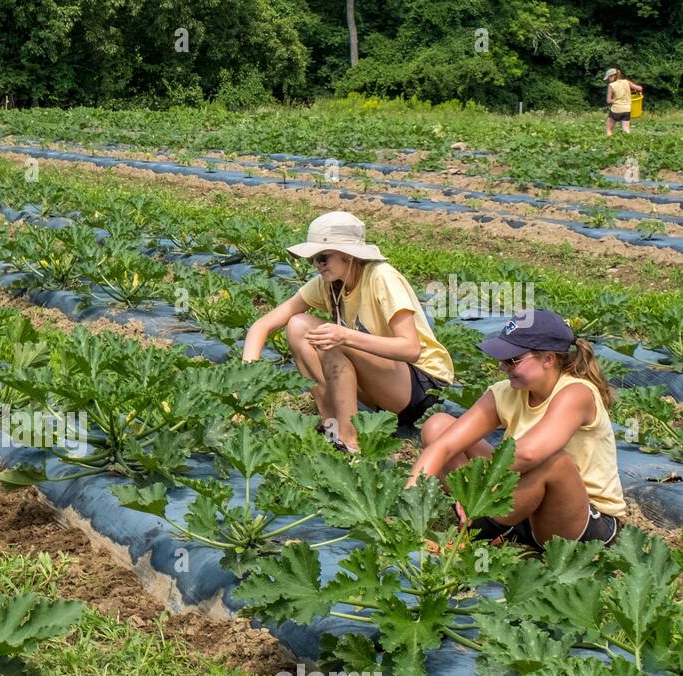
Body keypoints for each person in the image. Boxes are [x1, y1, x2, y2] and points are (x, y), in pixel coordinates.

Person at [241, 211, 455, 451]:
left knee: (334, 340)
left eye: (323, 258)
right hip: (381, 386)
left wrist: (345, 336)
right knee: (298, 325)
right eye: (312, 259)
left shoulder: (381, 277)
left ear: (348, 255)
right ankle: (331, 428)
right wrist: (246, 384)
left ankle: (349, 441)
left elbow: (410, 348)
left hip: (420, 388)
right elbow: (263, 325)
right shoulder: (329, 285)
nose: (317, 266)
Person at [410, 310, 623, 548]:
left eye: (512, 360)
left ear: (548, 359)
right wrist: (410, 495)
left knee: (553, 461)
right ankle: (487, 519)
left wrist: (482, 488)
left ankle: (480, 529)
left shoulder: (577, 393)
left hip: (580, 521)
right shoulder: (506, 391)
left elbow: (528, 453)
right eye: (502, 360)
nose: (503, 367)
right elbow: (445, 444)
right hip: (521, 505)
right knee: (438, 426)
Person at [605, 68, 643, 136]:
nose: (608, 79)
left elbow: (608, 101)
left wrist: (614, 100)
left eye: (608, 77)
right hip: (627, 109)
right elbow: (640, 88)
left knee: (609, 129)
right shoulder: (626, 81)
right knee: (626, 129)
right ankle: (628, 142)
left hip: (617, 109)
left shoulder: (611, 86)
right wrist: (638, 91)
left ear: (613, 76)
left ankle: (609, 143)